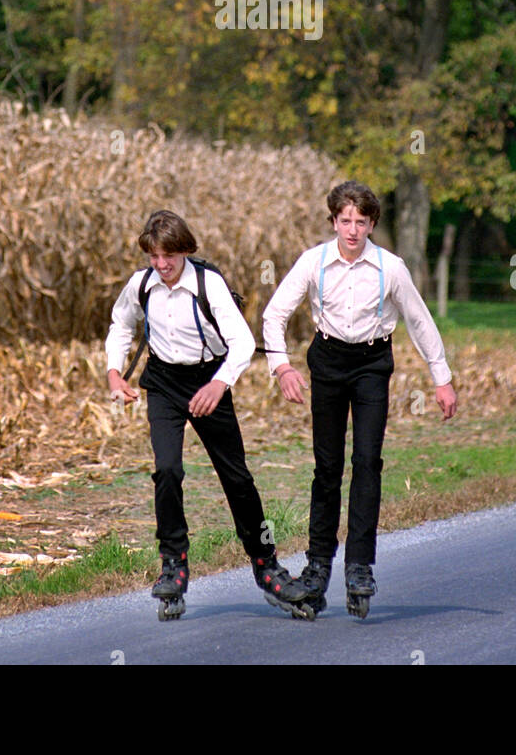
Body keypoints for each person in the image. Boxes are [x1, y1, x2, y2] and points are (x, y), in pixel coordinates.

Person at [263, 180, 457, 617]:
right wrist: (282, 366)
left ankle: (360, 566)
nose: (352, 230)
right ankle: (316, 567)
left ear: (372, 224)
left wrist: (441, 379)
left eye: (361, 222)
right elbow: (274, 314)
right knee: (327, 467)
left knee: (367, 461)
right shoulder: (314, 262)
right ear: (333, 221)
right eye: (345, 220)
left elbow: (420, 321)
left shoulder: (392, 268)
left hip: (372, 364)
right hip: (328, 361)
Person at [106, 209, 310, 620]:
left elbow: (241, 342)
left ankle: (266, 563)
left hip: (209, 378)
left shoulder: (207, 284)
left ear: (184, 251)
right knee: (167, 470)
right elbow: (120, 324)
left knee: (237, 479)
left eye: (169, 256)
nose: (162, 266)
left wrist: (218, 386)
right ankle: (173, 565)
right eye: (154, 257)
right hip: (163, 382)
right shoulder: (142, 283)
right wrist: (114, 374)